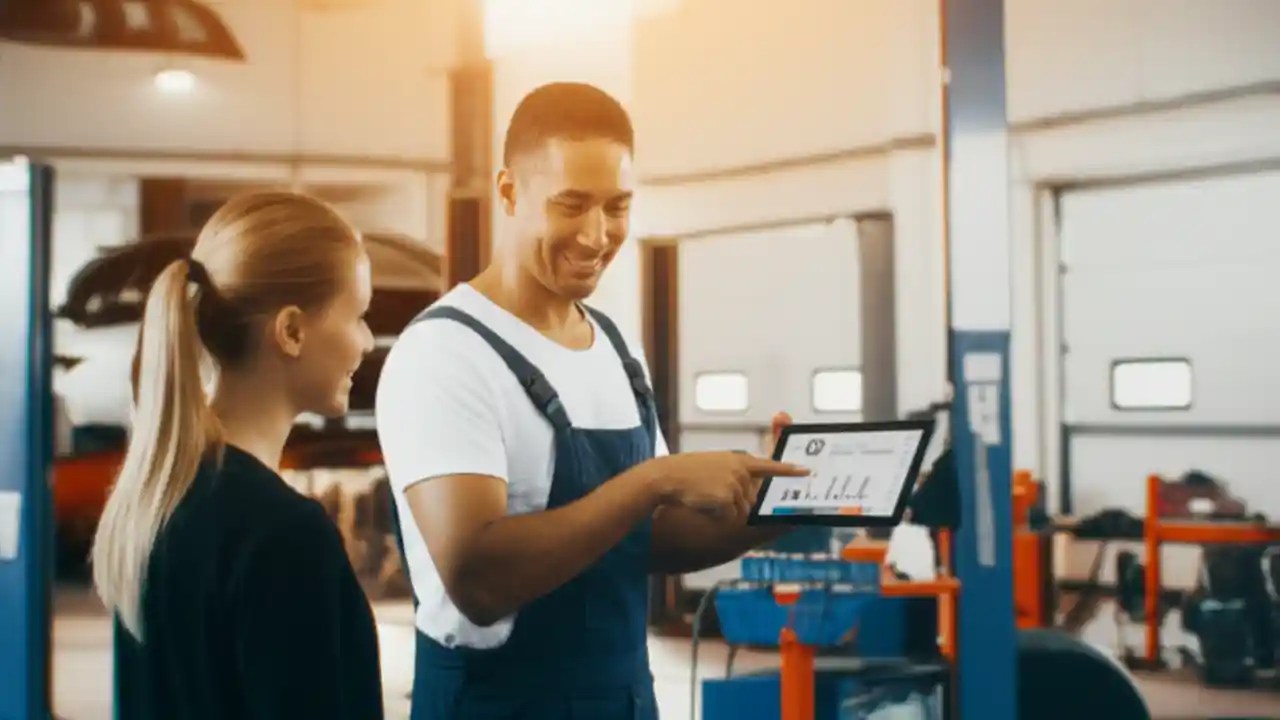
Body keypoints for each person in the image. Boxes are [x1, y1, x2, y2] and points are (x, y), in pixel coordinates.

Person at [375, 81, 808, 719]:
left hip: (624, 699)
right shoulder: (446, 353)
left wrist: (782, 502)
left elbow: (650, 540)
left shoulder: (614, 347)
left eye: (617, 207)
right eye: (571, 205)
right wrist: (654, 480)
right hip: (498, 707)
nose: (597, 234)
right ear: (509, 192)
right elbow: (478, 580)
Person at [91, 191, 384, 720]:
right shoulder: (285, 534)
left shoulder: (156, 501)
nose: (366, 341)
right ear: (291, 331)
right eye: (358, 315)